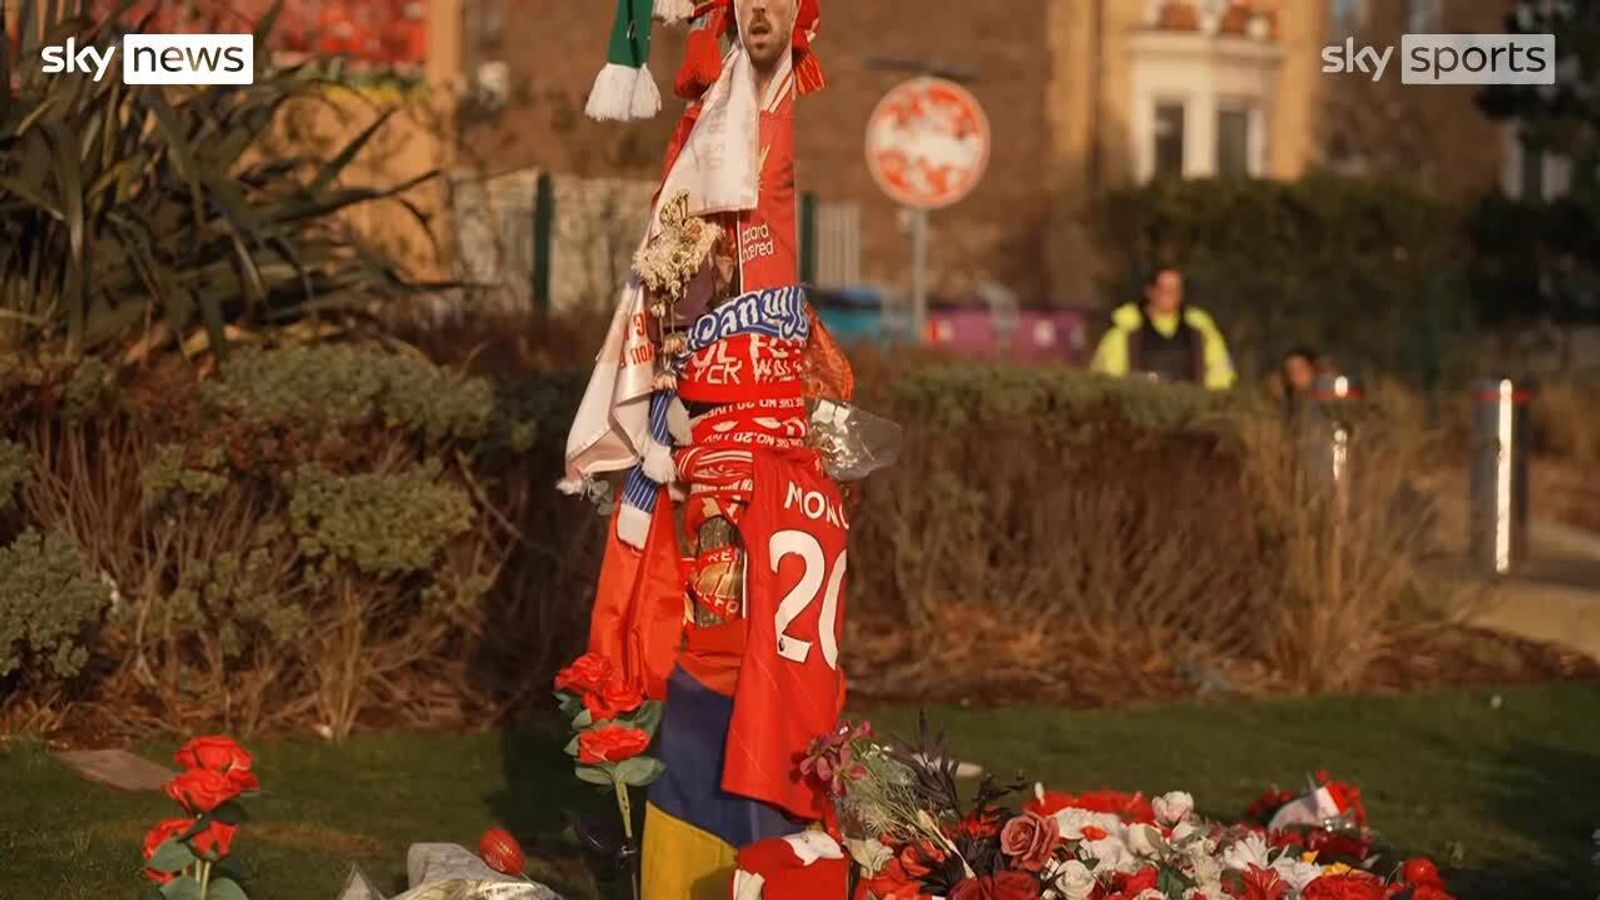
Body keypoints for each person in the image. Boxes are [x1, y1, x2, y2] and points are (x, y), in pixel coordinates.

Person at [561, 1, 853, 897]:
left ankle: (760, 864)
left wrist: (763, 48)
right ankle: (697, 866)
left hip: (758, 489)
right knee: (702, 666)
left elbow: (767, 95)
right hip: (708, 480)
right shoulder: (693, 189)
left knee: (737, 670)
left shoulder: (762, 163)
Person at [1089, 265, 1236, 390]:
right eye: (1165, 289)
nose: (1170, 294)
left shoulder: (1199, 327)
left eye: (1175, 289)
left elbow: (1220, 372)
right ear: (1150, 291)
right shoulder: (1127, 327)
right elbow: (1109, 374)